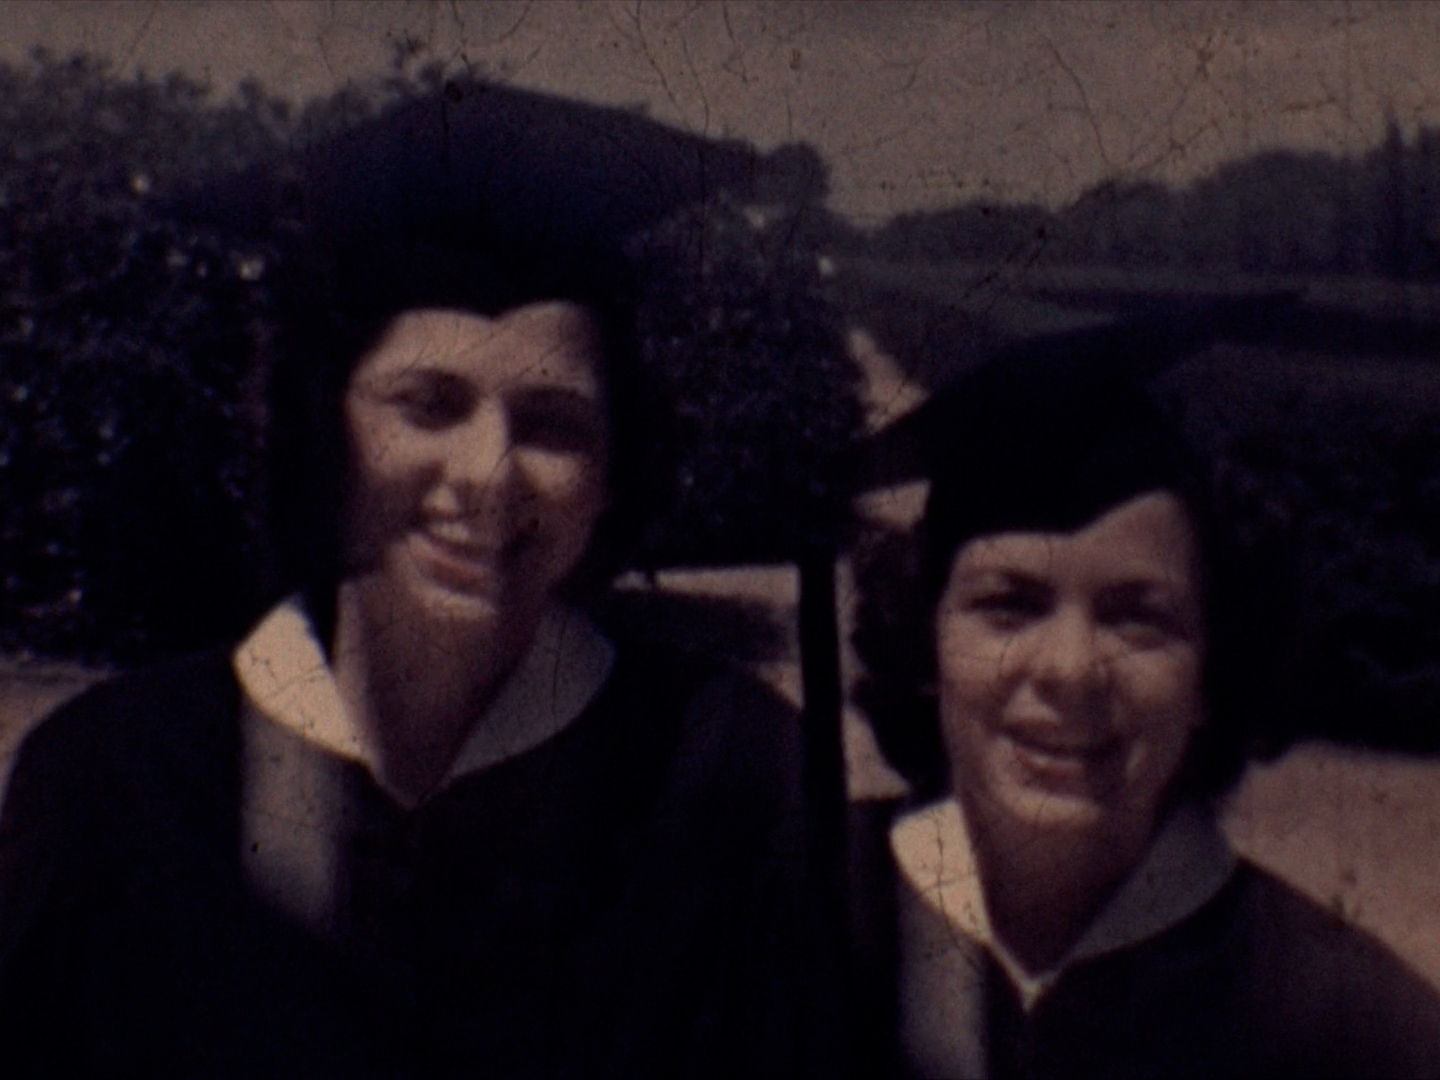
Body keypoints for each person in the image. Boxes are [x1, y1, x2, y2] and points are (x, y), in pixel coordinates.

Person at [0, 225, 835, 1078]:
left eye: (553, 426)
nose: (489, 473)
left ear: (614, 471)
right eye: (429, 405)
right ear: (326, 430)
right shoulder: (108, 779)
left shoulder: (725, 775)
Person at [849, 344, 1440, 1078]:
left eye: (1137, 619)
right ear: (924, 643)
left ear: (1208, 678)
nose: (1070, 670)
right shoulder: (795, 915)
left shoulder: (1357, 1027)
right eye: (1009, 606)